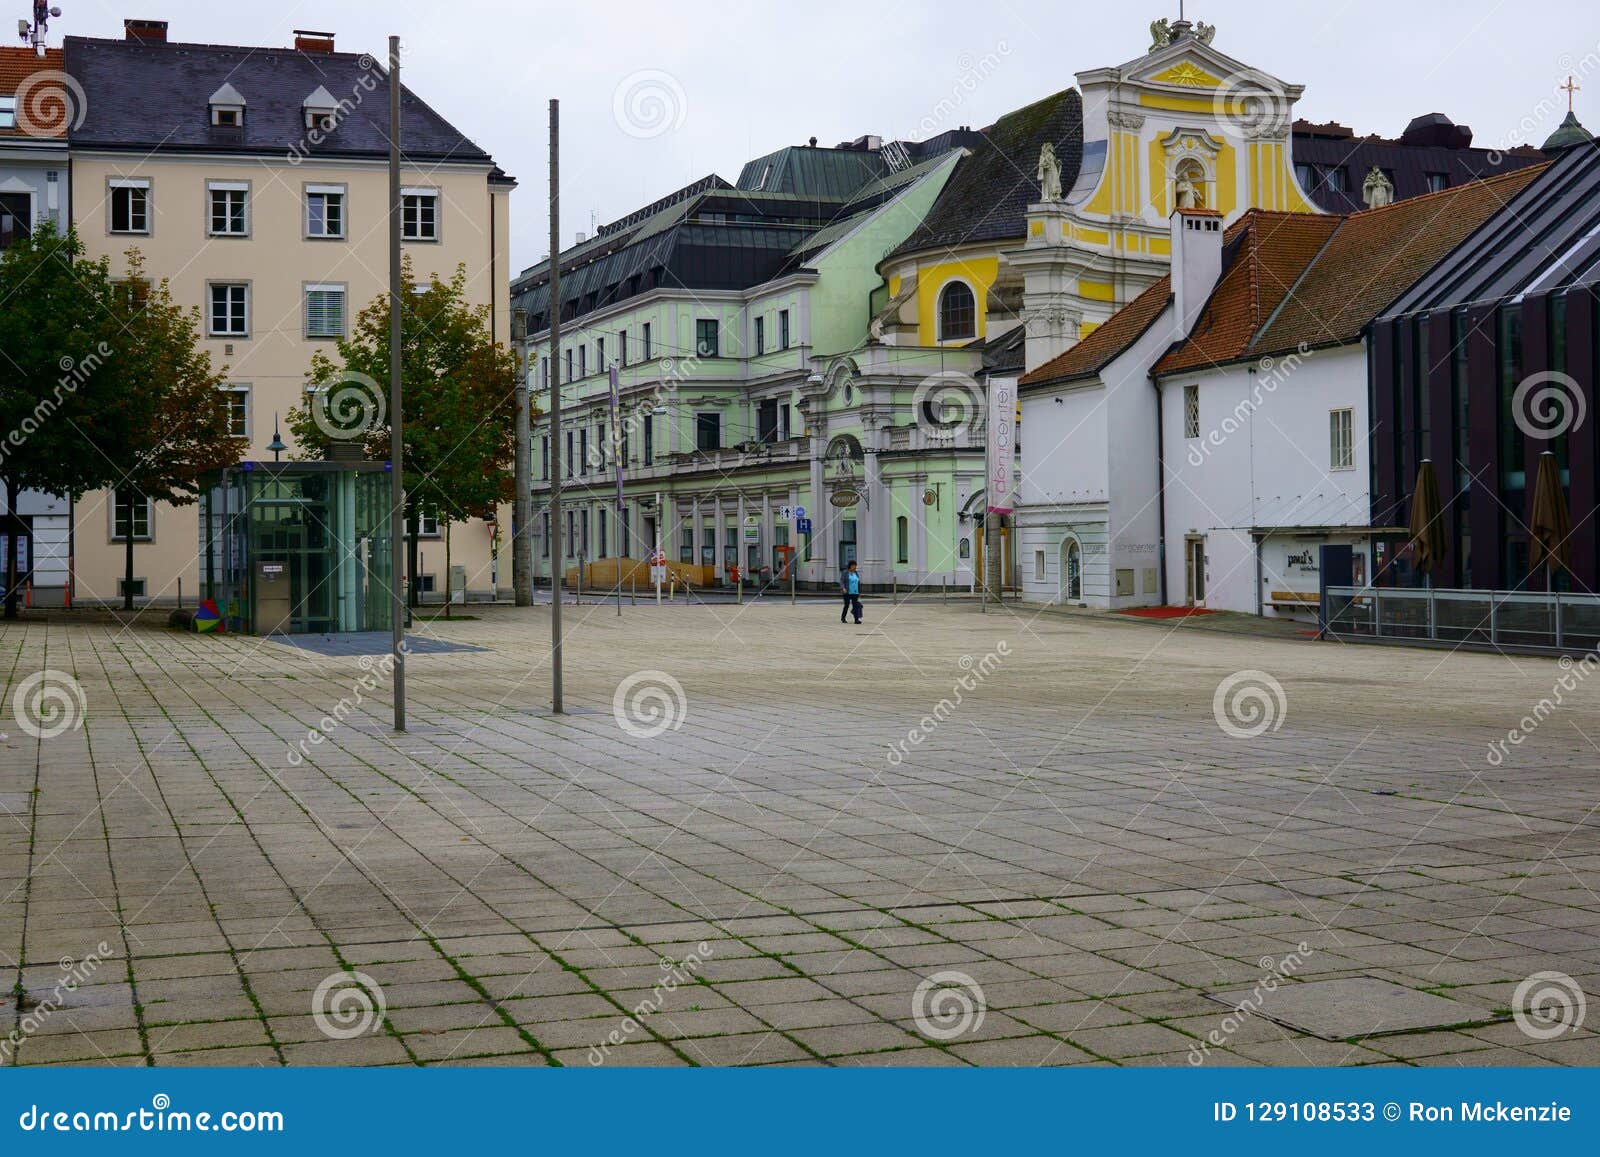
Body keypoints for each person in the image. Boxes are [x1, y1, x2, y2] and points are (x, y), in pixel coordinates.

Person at [840, 560, 863, 625]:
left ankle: (856, 619)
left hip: (855, 592)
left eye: (855, 565)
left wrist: (859, 591)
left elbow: (858, 582)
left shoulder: (856, 573)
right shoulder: (845, 572)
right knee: (846, 605)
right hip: (847, 592)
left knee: (855, 606)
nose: (855, 567)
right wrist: (843, 588)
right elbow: (842, 581)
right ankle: (843, 618)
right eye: (853, 565)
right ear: (850, 566)